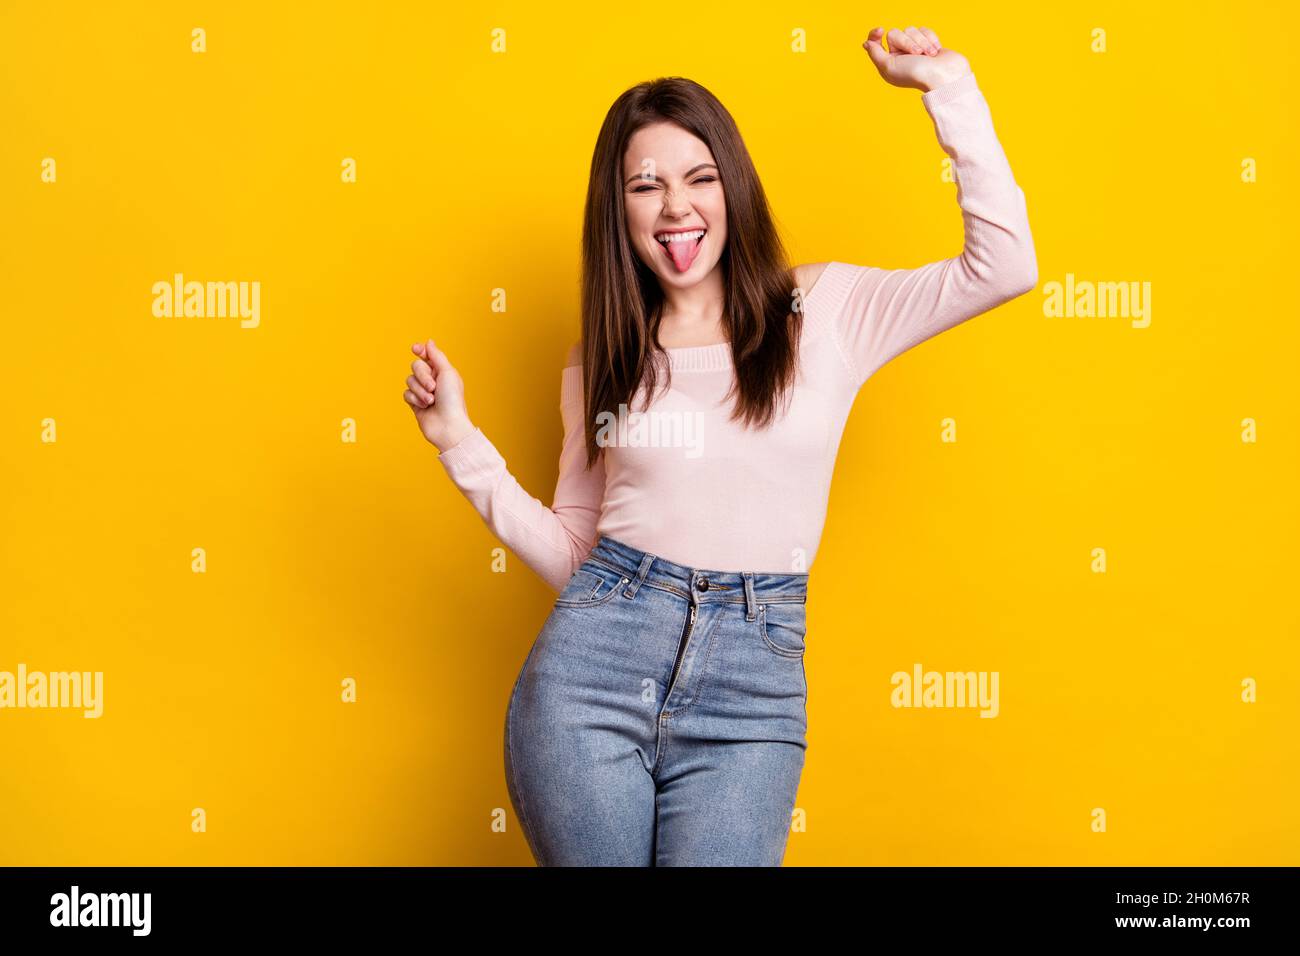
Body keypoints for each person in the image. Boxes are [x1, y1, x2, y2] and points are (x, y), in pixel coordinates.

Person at [402, 25, 1037, 865]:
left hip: (753, 687)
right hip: (589, 680)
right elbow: (575, 551)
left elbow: (1004, 266)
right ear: (616, 209)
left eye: (700, 178)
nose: (676, 207)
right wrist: (459, 443)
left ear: (732, 188)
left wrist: (948, 89)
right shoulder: (600, 362)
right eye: (645, 186)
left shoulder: (827, 313)